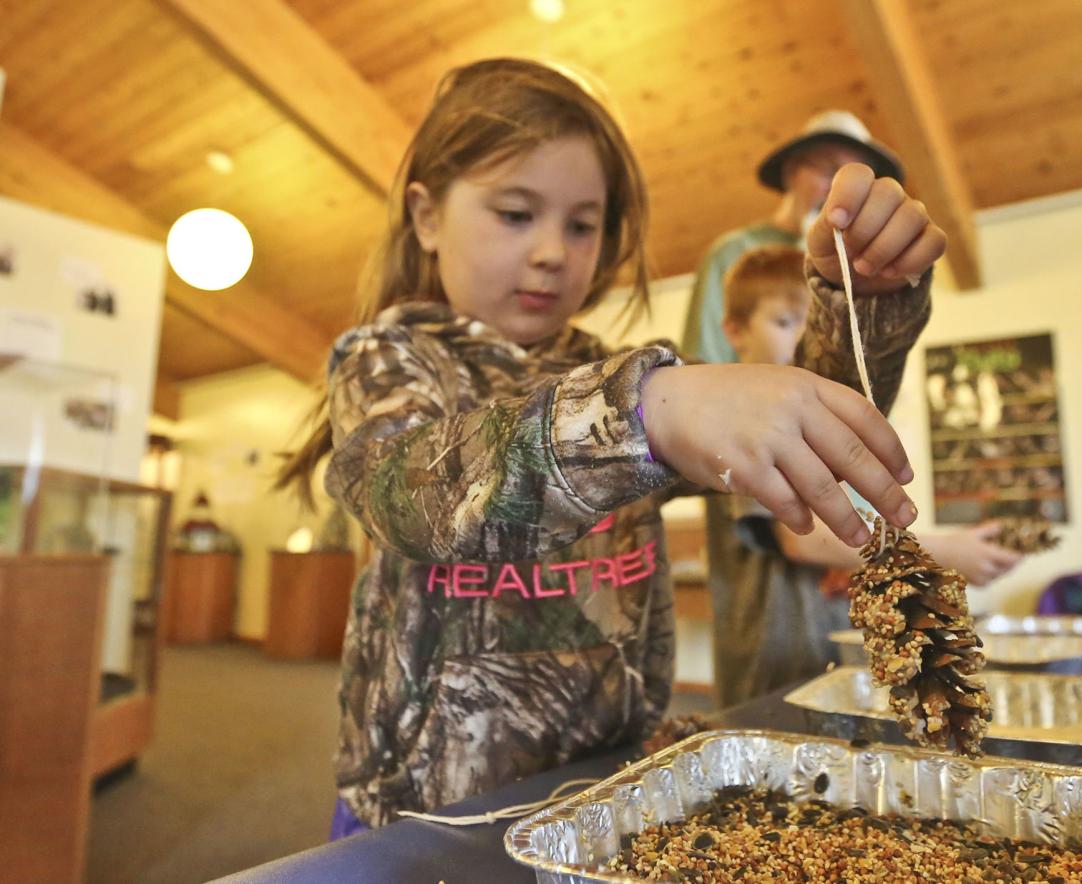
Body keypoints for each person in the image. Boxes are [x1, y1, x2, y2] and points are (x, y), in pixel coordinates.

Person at [276, 58, 944, 834]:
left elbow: (792, 426)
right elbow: (416, 497)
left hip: (605, 788)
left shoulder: (614, 373)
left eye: (582, 224)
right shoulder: (386, 361)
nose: (554, 251)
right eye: (516, 214)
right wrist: (641, 414)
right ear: (426, 216)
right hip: (424, 814)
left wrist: (865, 307)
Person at [707, 246, 1022, 706]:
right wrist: (944, 551)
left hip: (833, 650)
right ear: (735, 330)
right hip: (772, 665)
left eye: (812, 323)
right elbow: (799, 540)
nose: (803, 340)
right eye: (784, 321)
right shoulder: (735, 416)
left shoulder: (813, 418)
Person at [682, 110, 904, 364]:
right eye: (829, 169)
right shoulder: (732, 253)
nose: (840, 189)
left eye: (859, 181)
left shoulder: (860, 268)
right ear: (791, 173)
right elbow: (701, 360)